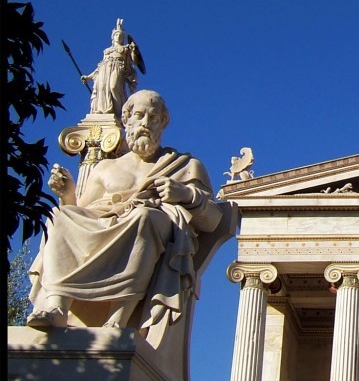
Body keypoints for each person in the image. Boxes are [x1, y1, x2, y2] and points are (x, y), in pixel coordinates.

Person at [28, 90, 224, 331]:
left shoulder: (184, 165)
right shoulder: (105, 167)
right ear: (127, 120)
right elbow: (80, 214)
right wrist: (67, 194)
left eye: (153, 118)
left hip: (144, 225)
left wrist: (186, 194)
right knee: (58, 216)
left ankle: (119, 319)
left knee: (143, 217)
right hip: (103, 225)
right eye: (139, 115)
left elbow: (214, 220)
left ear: (162, 124)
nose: (145, 123)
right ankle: (57, 308)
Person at [81, 18, 145, 118]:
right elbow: (99, 67)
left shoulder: (126, 48)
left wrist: (134, 50)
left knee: (113, 87)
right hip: (104, 69)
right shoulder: (107, 50)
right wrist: (88, 77)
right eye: (116, 34)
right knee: (102, 87)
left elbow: (135, 60)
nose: (118, 36)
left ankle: (119, 113)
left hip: (117, 68)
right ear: (112, 37)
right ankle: (101, 110)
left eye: (120, 35)